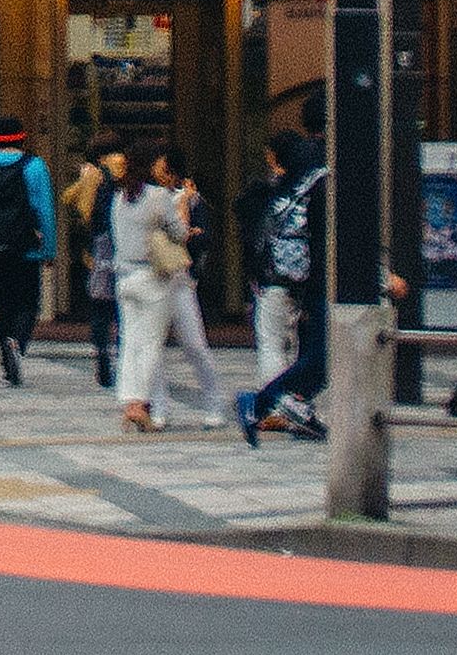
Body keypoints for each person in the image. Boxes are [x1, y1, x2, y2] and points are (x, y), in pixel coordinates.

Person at [235, 126, 331, 447]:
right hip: (312, 284)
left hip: (292, 281)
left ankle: (287, 405)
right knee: (317, 357)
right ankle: (263, 402)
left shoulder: (291, 188)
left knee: (314, 356)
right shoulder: (319, 186)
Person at [117, 148, 225, 429]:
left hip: (174, 281)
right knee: (152, 347)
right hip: (158, 278)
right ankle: (157, 406)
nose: (160, 172)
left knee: (192, 344)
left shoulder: (129, 198)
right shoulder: (154, 197)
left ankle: (212, 403)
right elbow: (180, 232)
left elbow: (199, 237)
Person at [0, 118, 57, 385]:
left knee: (2, 308)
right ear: (22, 137)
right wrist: (48, 249)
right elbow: (44, 211)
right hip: (27, 249)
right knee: (28, 304)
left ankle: (8, 362)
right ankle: (17, 343)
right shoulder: (35, 166)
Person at [65, 140, 134, 396]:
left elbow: (78, 207)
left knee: (100, 306)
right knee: (123, 307)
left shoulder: (92, 176)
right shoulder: (130, 174)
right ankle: (125, 357)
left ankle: (102, 352)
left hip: (100, 246)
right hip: (127, 246)